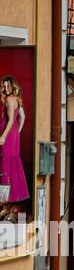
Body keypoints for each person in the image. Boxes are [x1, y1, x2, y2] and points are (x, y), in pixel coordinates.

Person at [0, 78, 28, 220]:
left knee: (6, 163)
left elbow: (11, 120)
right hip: (13, 134)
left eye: (8, 86)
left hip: (7, 133)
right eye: (4, 86)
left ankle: (4, 198)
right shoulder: (16, 99)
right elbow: (22, 116)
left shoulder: (10, 99)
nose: (6, 89)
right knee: (11, 163)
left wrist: (4, 135)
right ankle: (8, 197)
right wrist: (18, 132)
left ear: (12, 86)